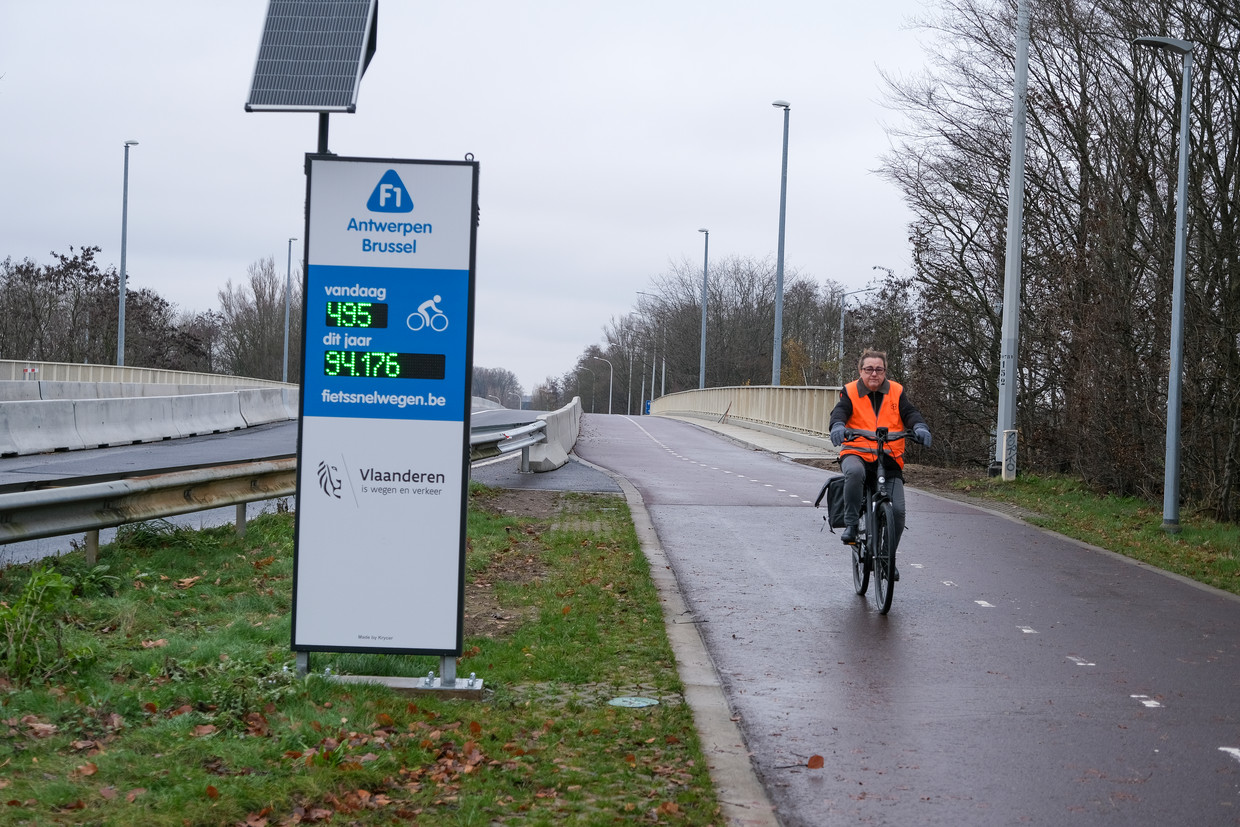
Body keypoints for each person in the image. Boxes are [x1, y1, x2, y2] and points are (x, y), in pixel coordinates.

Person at [829, 350, 931, 570]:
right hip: (857, 451)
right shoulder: (850, 391)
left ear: (885, 371)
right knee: (854, 474)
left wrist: (919, 426)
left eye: (879, 369)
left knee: (898, 511)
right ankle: (852, 524)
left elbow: (910, 413)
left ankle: (886, 557)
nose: (874, 374)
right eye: (869, 369)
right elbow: (840, 412)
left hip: (889, 455)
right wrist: (838, 426)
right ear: (860, 371)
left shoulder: (896, 391)